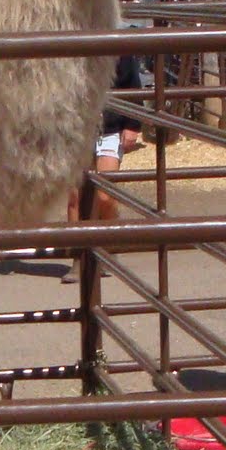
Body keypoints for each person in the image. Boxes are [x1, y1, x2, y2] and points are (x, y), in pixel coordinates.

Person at [63, 52, 145, 282]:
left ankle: (108, 249)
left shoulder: (119, 50)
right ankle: (79, 258)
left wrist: (132, 124)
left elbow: (132, 85)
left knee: (105, 195)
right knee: (75, 197)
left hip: (109, 130)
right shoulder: (70, 48)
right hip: (77, 131)